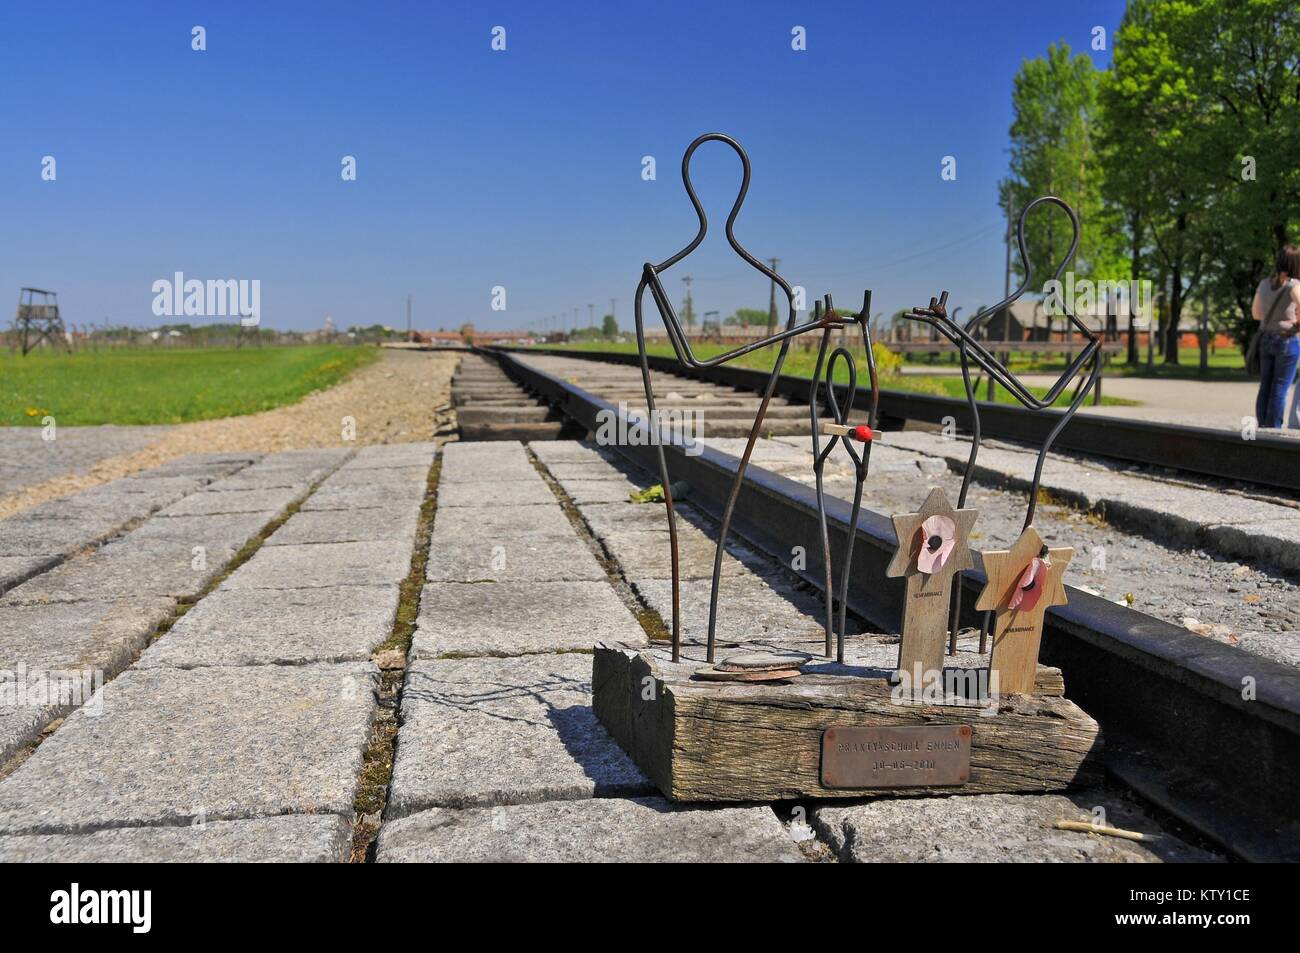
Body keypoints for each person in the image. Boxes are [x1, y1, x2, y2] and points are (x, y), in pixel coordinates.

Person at [1252, 245, 1300, 428]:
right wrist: (1296, 322)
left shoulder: (1264, 283)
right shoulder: (1294, 285)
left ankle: (1263, 425)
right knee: (1280, 388)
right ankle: (1274, 428)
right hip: (1287, 339)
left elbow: (1256, 314)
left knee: (1265, 386)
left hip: (1266, 338)